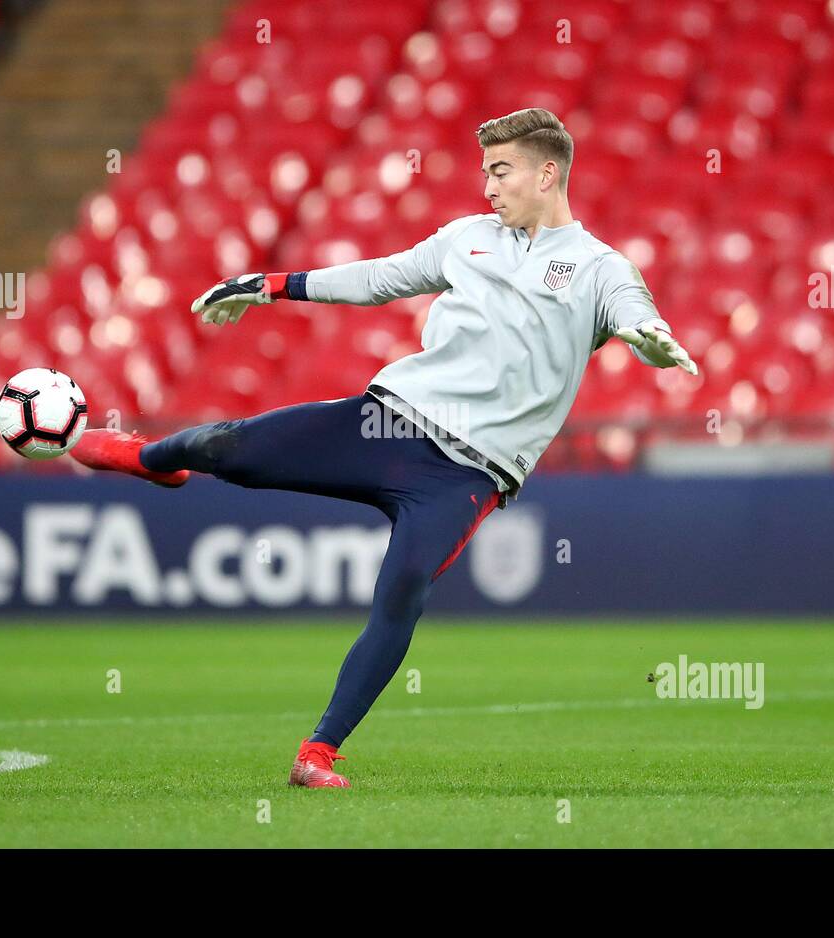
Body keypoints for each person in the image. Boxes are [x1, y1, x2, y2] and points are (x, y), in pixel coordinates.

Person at [70, 107, 698, 788]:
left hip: (467, 474)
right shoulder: (466, 238)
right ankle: (149, 459)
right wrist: (271, 286)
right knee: (233, 447)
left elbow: (636, 312)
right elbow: (379, 278)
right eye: (485, 170)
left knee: (401, 591)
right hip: (387, 423)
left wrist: (647, 337)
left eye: (501, 170)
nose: (487, 185)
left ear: (548, 174)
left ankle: (318, 752)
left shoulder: (600, 267)